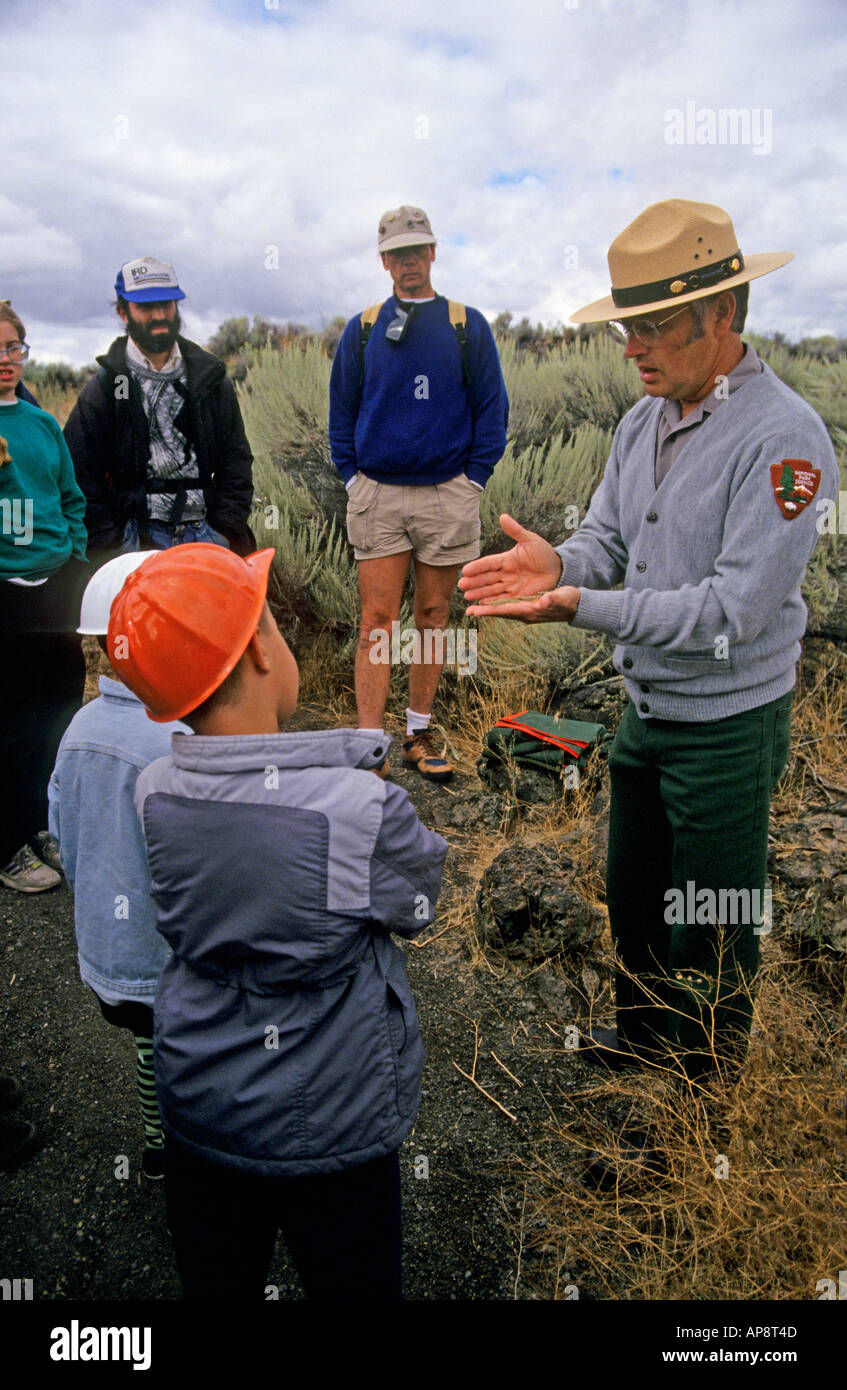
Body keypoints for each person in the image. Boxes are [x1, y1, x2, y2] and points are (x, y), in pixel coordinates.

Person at [462, 199, 839, 1109]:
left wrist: (583, 603)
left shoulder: (786, 438)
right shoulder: (640, 422)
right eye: (626, 324)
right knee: (633, 897)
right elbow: (604, 544)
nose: (632, 344)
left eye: (655, 324)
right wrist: (560, 564)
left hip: (726, 724)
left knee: (710, 921)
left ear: (724, 313)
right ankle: (640, 1044)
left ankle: (696, 1095)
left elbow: (736, 611)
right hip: (648, 712)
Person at [107, 544, 447, 1299]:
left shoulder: (154, 788)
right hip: (337, 1117)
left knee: (218, 1279)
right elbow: (418, 905)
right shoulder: (361, 804)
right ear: (261, 649)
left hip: (201, 1104)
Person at [329, 206, 508, 781]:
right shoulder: (361, 329)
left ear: (433, 253)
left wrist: (472, 480)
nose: (409, 263)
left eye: (418, 251)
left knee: (433, 616)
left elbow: (492, 411)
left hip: (445, 496)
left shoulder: (465, 324)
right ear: (384, 261)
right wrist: (353, 477)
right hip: (378, 494)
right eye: (398, 254)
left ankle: (418, 730)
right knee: (376, 621)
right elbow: (341, 412)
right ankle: (369, 741)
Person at [48, 553, 188, 1180]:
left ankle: (158, 1150)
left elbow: (63, 833)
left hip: (110, 956)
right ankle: (195, 1150)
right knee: (187, 1054)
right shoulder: (178, 739)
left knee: (147, 1048)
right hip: (170, 962)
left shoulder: (77, 728)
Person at [64, 257, 255, 563]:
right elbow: (79, 473)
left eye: (167, 304)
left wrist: (226, 528)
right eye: (146, 306)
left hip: (206, 535)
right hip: (135, 540)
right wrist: (110, 543)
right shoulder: (107, 386)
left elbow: (237, 458)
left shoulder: (208, 377)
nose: (159, 315)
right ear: (123, 311)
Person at [0, 302, 89, 893]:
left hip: (54, 586)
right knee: (9, 719)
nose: (5, 361)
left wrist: (76, 559)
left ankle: (40, 822)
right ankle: (8, 844)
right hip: (5, 594)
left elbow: (71, 499)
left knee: (56, 710)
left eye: (12, 349)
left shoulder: (42, 424)